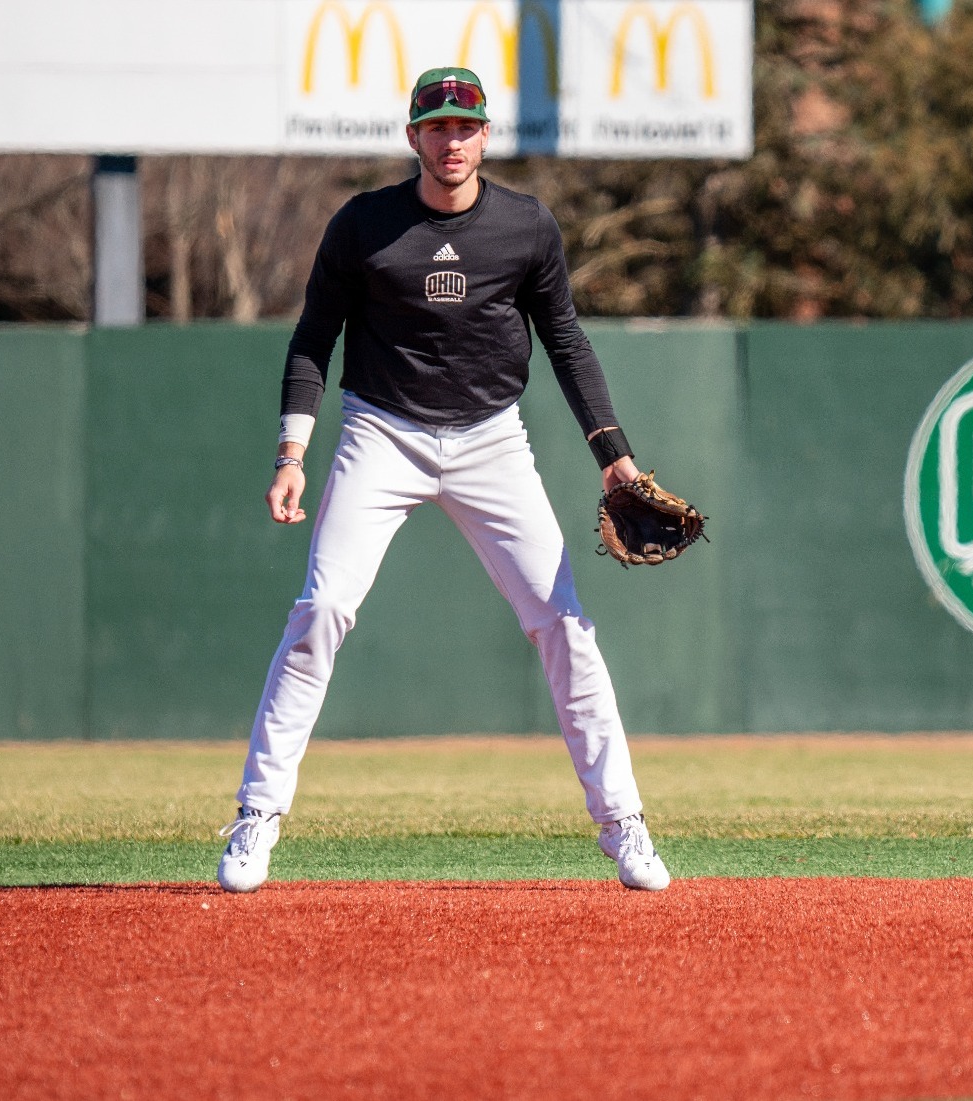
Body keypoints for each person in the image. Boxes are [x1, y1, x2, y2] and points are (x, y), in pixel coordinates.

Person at [216, 67, 669, 894]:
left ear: (486, 135)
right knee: (321, 609)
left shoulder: (525, 227)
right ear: (413, 136)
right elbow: (315, 336)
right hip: (381, 431)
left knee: (563, 623)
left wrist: (617, 458)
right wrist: (292, 453)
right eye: (437, 125)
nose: (451, 139)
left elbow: (566, 343)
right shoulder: (364, 226)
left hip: (493, 441)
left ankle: (623, 822)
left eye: (466, 126)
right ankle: (257, 815)